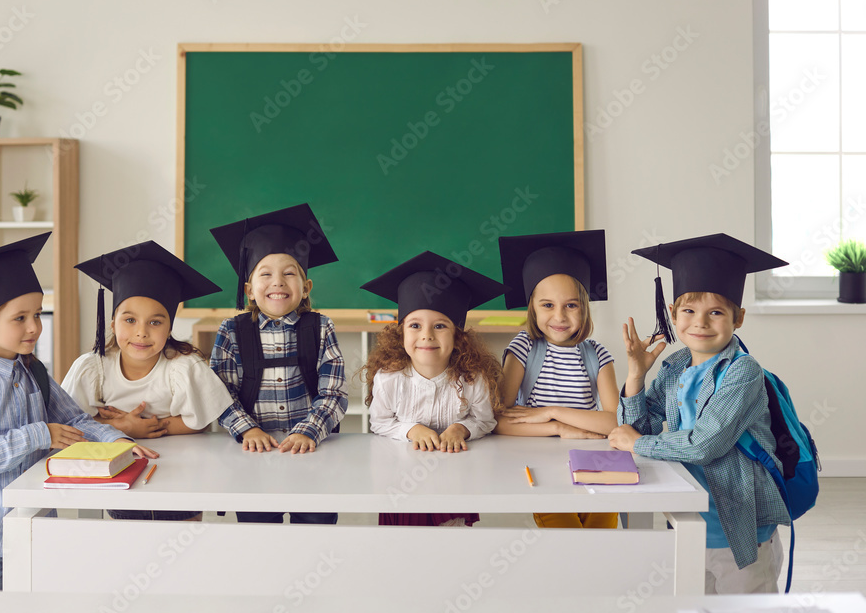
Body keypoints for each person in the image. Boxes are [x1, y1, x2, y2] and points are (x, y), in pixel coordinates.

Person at [0, 233, 156, 590]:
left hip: (32, 525)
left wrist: (120, 441)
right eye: (19, 318)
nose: (34, 326)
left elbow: (76, 420)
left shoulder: (33, 371)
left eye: (37, 313)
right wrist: (41, 434)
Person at [610, 233, 791, 594]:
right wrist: (636, 374)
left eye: (716, 312)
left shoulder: (743, 371)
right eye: (689, 311)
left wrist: (640, 442)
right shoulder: (675, 368)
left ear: (738, 318)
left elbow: (702, 445)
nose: (701, 322)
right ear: (674, 315)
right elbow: (636, 426)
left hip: (739, 530)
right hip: (690, 521)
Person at [62, 241, 234, 520]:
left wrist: (145, 428)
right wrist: (121, 427)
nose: (141, 333)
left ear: (169, 328)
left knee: (186, 548)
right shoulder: (94, 367)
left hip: (183, 475)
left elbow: (197, 421)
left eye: (155, 322)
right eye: (129, 320)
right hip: (121, 472)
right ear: (112, 322)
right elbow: (71, 423)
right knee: (130, 544)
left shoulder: (183, 366)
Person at [210, 203, 347, 524]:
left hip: (313, 451)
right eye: (265, 274)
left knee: (315, 530)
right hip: (255, 454)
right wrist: (248, 430)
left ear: (306, 287)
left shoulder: (321, 327)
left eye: (290, 273)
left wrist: (309, 432)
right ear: (249, 290)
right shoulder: (231, 331)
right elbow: (219, 393)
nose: (278, 282)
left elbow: (335, 392)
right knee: (259, 534)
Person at [361, 251, 503, 527]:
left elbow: (485, 420)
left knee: (452, 546)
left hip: (455, 479)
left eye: (440, 326)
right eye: (415, 325)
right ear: (401, 333)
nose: (426, 335)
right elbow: (379, 423)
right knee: (403, 550)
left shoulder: (472, 379)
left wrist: (461, 429)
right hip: (401, 480)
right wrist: (411, 430)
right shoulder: (389, 379)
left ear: (457, 335)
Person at [494, 230, 619, 529]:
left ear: (584, 307)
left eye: (571, 305)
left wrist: (551, 412)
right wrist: (559, 429)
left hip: (595, 464)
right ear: (532, 308)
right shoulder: (524, 348)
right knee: (564, 540)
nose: (559, 316)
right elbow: (497, 418)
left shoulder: (597, 355)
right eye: (547, 305)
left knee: (602, 540)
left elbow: (616, 422)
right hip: (541, 465)